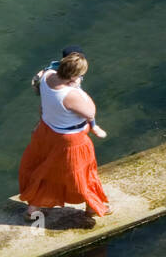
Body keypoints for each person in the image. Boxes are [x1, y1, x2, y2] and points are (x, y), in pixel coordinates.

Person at [19, 52, 111, 219]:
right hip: (70, 140)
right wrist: (76, 87)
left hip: (47, 132)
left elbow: (41, 76)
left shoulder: (47, 76)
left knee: (46, 170)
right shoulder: (69, 95)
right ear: (75, 76)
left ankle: (33, 209)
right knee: (84, 173)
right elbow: (90, 111)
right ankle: (92, 207)